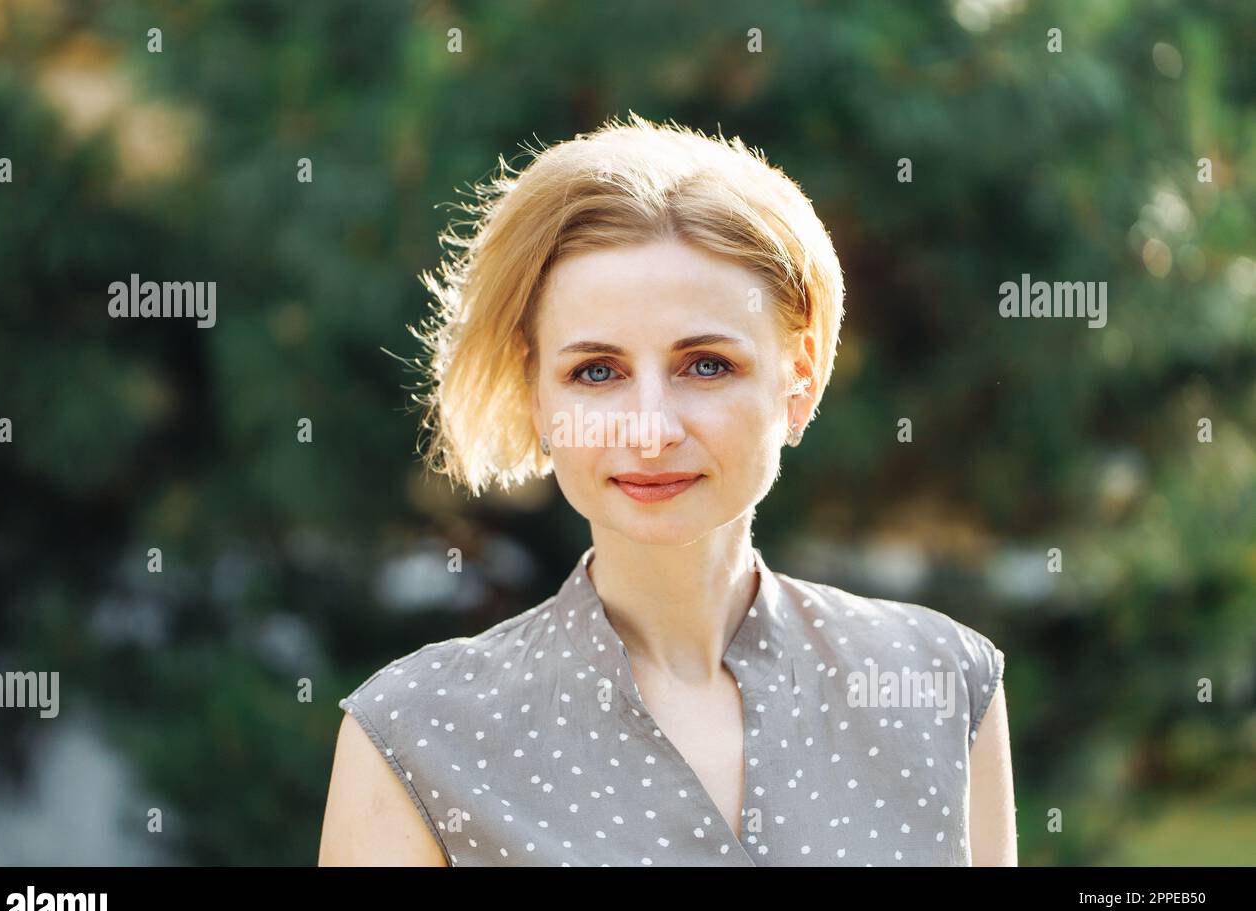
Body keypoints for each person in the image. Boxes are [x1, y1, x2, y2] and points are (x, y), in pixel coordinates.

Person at [319, 112, 1016, 866]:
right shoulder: (413, 732)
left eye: (706, 365)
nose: (650, 431)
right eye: (597, 372)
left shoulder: (942, 682)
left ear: (800, 376)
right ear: (535, 394)